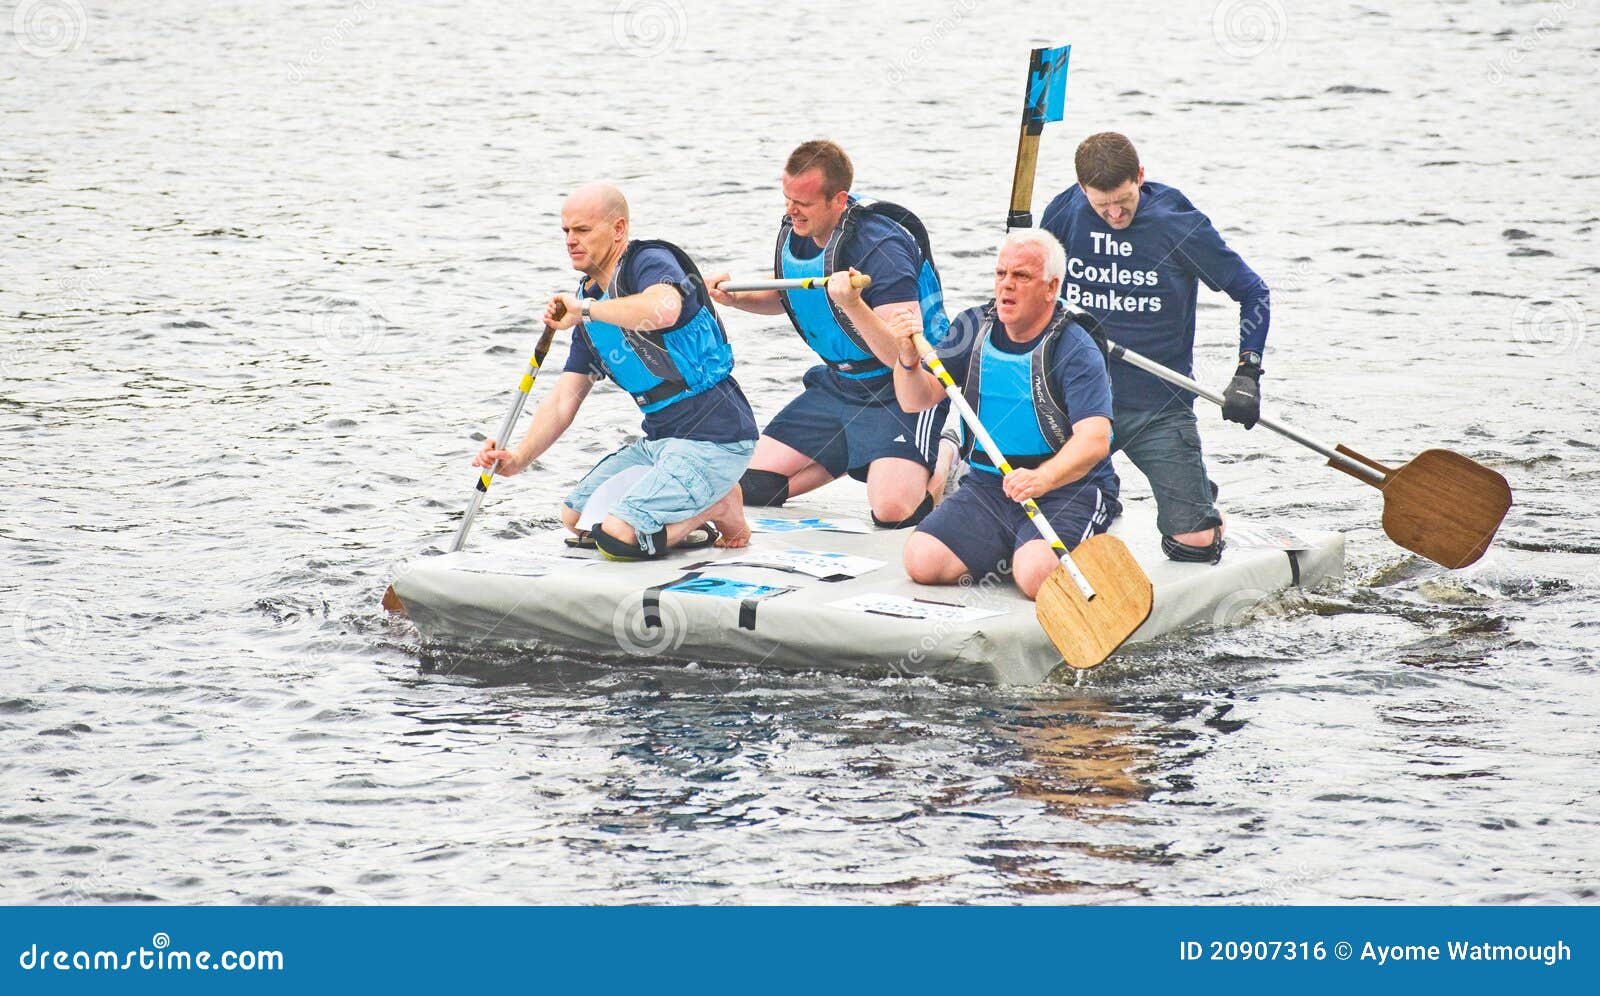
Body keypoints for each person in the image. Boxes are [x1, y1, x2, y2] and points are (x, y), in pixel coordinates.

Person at [473, 183, 755, 559]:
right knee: (577, 519)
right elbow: (563, 401)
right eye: (566, 231)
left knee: (617, 537)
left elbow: (666, 308)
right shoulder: (589, 304)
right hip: (658, 442)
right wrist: (518, 458)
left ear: (618, 229)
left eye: (583, 230)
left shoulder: (648, 261)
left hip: (716, 436)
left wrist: (585, 311)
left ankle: (717, 506)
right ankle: (687, 507)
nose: (571, 240)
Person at [1040, 131, 1271, 563]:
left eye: (1123, 201)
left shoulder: (1177, 224)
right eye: (1101, 204)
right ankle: (1102, 490)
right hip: (1077, 402)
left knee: (1194, 546)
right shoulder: (1066, 212)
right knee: (1036, 515)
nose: (1113, 214)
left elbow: (1252, 292)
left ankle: (1195, 497)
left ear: (1140, 177)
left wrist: (1247, 374)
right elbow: (1036, 290)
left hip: (1158, 404)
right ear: (1081, 189)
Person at [706, 139, 951, 529]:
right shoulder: (801, 228)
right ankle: (846, 451)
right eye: (787, 198)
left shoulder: (883, 248)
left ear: (839, 200)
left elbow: (901, 356)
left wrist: (853, 304)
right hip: (840, 385)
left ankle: (945, 454)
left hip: (904, 392)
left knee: (893, 514)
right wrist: (734, 298)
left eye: (802, 204)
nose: (790, 212)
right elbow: (791, 295)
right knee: (749, 486)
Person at [889, 229, 1119, 600]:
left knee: (1035, 579)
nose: (1006, 286)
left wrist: (1042, 480)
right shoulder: (971, 327)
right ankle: (1016, 544)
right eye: (1001, 274)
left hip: (1067, 487)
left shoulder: (1074, 346)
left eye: (1021, 276)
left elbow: (1095, 441)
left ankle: (1037, 551)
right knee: (923, 561)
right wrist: (907, 358)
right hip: (989, 484)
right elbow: (915, 400)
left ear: (1051, 287)